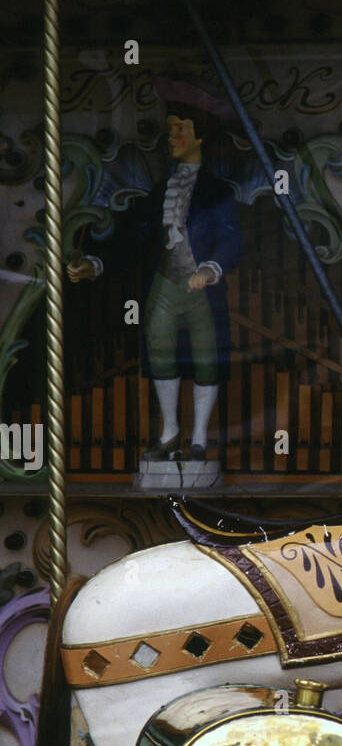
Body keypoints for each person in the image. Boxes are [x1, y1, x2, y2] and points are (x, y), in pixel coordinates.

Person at [67, 81, 242, 465]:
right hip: (164, 285)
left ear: (200, 135)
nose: (172, 136)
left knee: (206, 357)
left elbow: (231, 238)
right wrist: (95, 262)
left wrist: (212, 269)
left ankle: (198, 438)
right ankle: (169, 432)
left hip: (201, 290)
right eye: (171, 128)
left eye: (180, 128)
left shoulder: (217, 193)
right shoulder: (161, 189)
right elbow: (135, 239)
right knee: (160, 350)